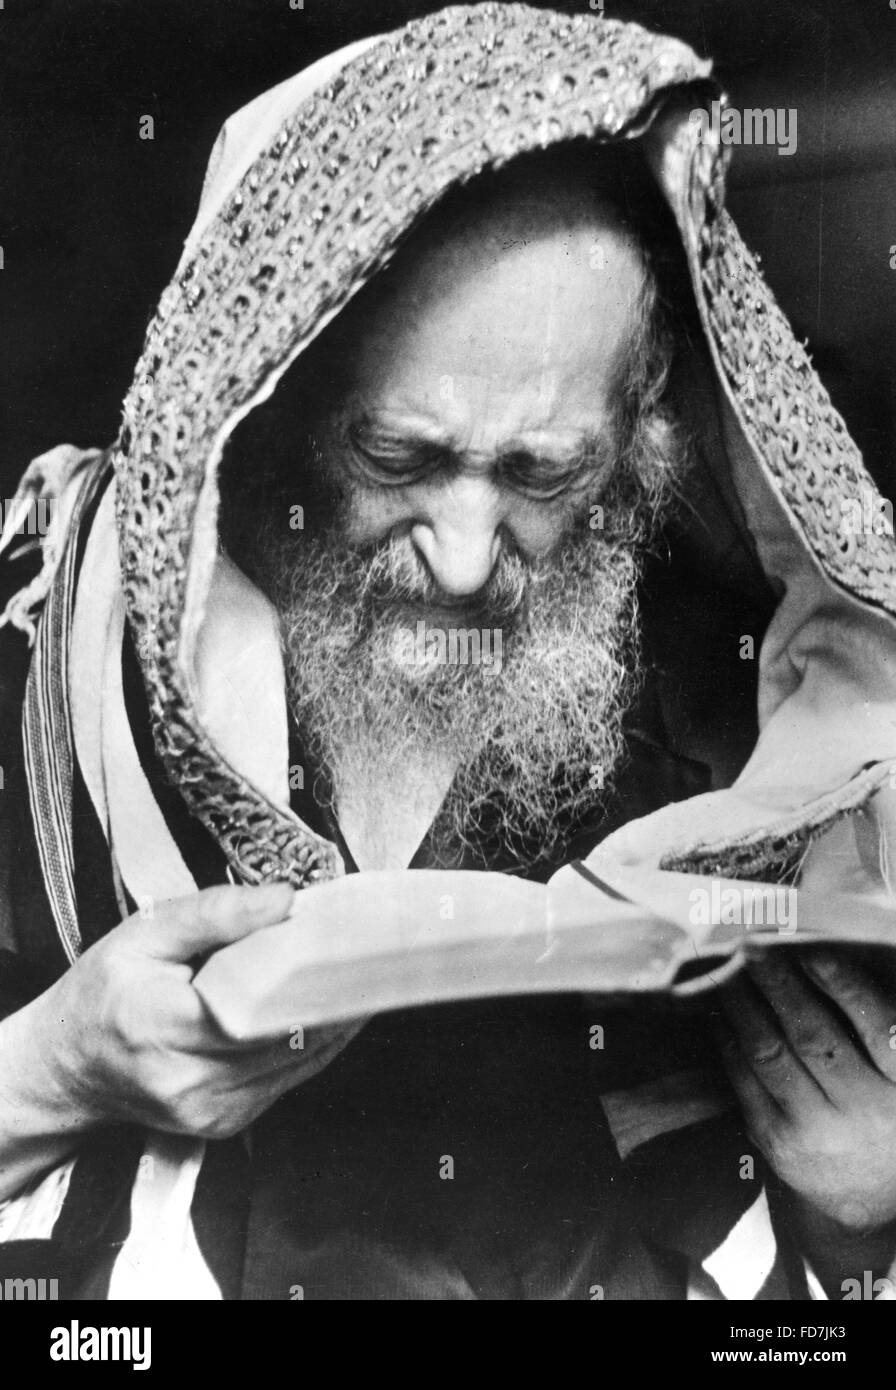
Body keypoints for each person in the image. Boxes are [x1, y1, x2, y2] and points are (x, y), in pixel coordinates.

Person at [1, 3, 895, 1300]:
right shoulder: (35, 672)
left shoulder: (745, 739)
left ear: (643, 445)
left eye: (546, 470)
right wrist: (53, 1068)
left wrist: (863, 1225)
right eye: (398, 457)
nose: (472, 556)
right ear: (263, 414)